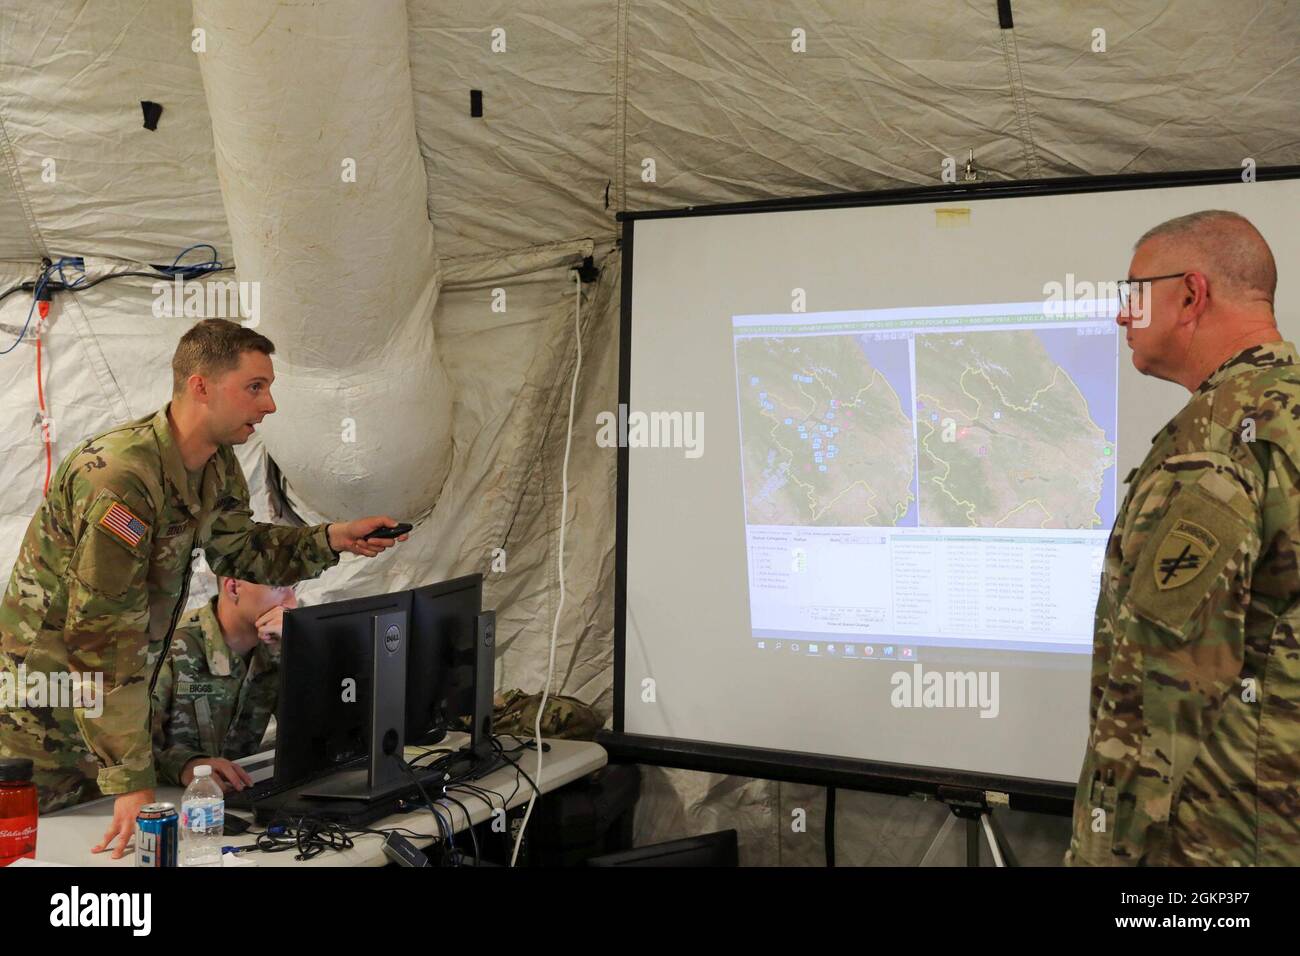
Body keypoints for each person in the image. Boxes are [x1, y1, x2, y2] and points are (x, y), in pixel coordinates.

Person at [0, 318, 409, 858]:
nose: (270, 406)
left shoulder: (216, 465)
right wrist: (129, 777)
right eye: (255, 387)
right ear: (200, 386)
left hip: (108, 709)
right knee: (42, 850)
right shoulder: (121, 478)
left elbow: (239, 551)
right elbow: (102, 636)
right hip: (42, 715)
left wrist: (333, 538)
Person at [1067, 209, 1300, 865]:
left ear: (1192, 294)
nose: (1121, 316)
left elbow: (1158, 694)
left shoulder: (1216, 445)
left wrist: (1101, 856)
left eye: (1134, 293)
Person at [152, 576, 298, 791]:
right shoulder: (167, 647)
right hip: (171, 799)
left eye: (294, 587)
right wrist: (185, 765)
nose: (292, 602)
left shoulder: (278, 644)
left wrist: (298, 646)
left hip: (241, 792)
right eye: (278, 587)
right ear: (233, 587)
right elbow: (125, 752)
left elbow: (315, 731)